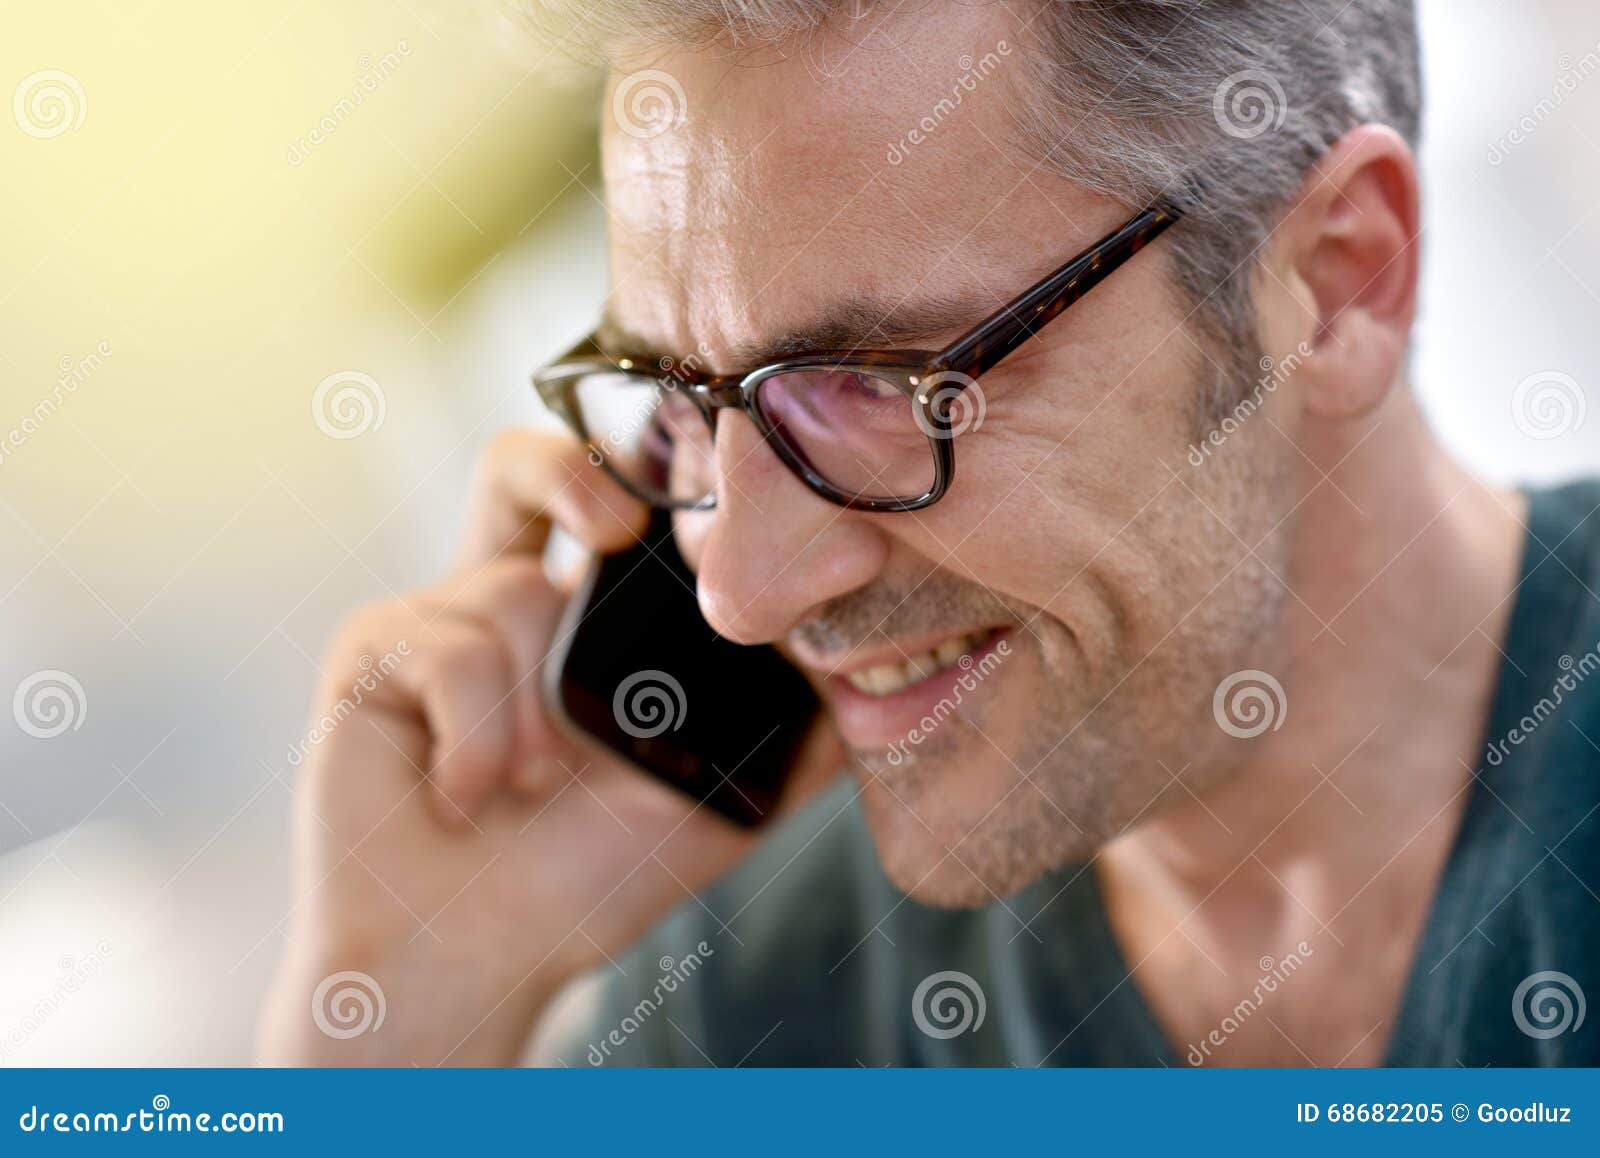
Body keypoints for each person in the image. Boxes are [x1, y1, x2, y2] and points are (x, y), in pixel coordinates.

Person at [259, 0, 1599, 1066]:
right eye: (680, 395)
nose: (740, 588)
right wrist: (412, 1010)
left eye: (877, 387)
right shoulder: (755, 1018)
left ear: (1336, 280)